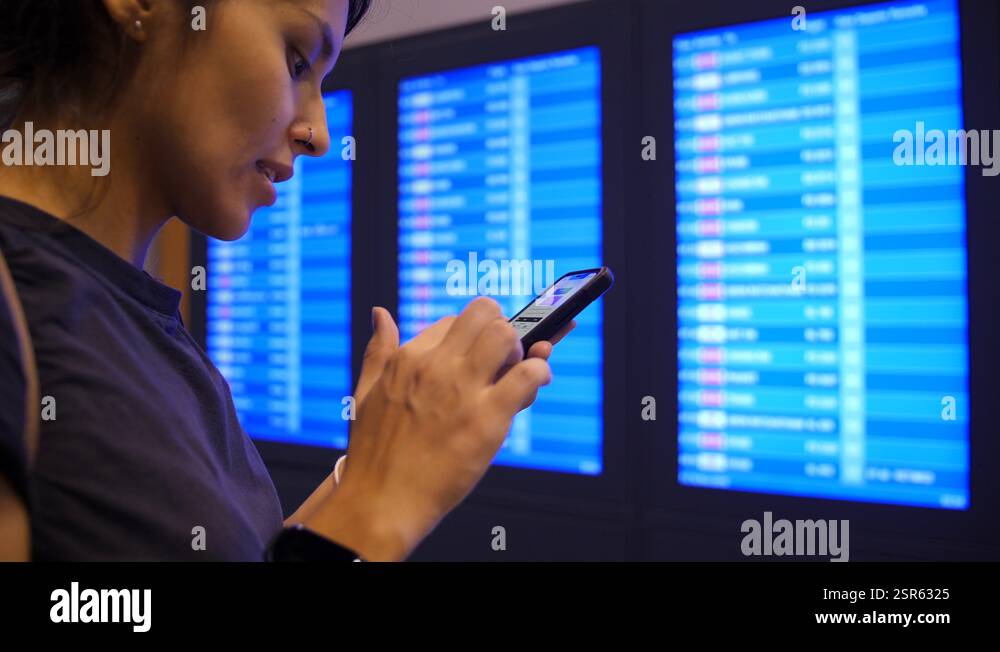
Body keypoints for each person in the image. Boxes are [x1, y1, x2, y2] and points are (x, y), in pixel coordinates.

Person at [0, 0, 572, 561]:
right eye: (298, 60)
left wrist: (375, 466)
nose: (319, 134)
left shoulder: (135, 318)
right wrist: (380, 506)